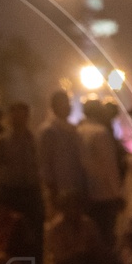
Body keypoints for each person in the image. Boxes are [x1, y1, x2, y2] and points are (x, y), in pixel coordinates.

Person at [0, 100, 44, 264]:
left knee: (34, 229)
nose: (18, 119)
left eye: (22, 115)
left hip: (30, 191)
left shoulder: (34, 140)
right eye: (15, 115)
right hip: (10, 192)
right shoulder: (2, 141)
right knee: (11, 232)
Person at [77, 98, 125, 249]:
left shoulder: (77, 131)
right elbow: (109, 167)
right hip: (104, 194)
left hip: (84, 193)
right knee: (105, 237)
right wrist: (117, 194)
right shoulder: (100, 132)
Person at [37, 90, 85, 218]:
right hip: (59, 191)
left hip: (75, 189)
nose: (68, 107)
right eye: (64, 103)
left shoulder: (73, 129)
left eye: (68, 103)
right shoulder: (48, 131)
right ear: (54, 107)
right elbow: (45, 164)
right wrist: (52, 192)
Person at [43, 191, 105, 264]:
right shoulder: (56, 229)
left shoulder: (89, 224)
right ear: (63, 209)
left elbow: (97, 247)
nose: (75, 210)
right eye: (71, 206)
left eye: (78, 206)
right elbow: (60, 256)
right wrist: (80, 251)